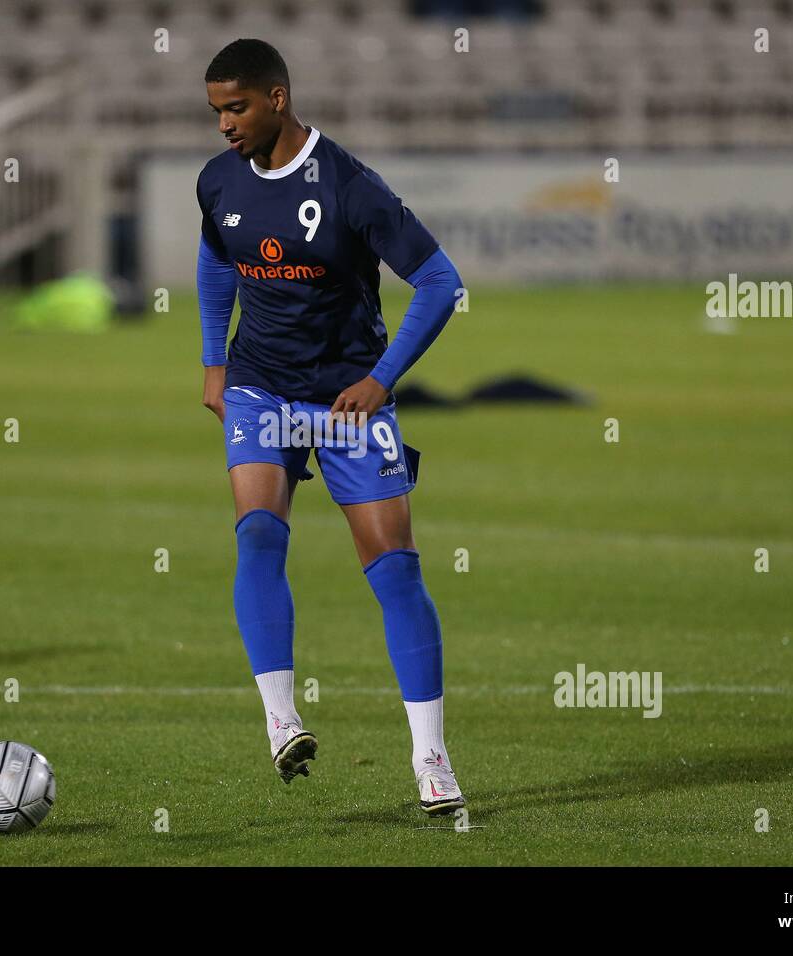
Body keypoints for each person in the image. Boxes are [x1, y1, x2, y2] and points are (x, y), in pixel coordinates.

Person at [196, 38, 465, 815]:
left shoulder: (349, 186)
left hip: (348, 396)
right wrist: (215, 361)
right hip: (259, 387)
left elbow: (441, 284)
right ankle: (282, 718)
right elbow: (217, 262)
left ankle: (431, 758)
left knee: (395, 569)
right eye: (216, 111)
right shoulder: (218, 181)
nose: (224, 126)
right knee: (256, 533)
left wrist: (380, 382)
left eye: (236, 108)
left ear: (277, 98)